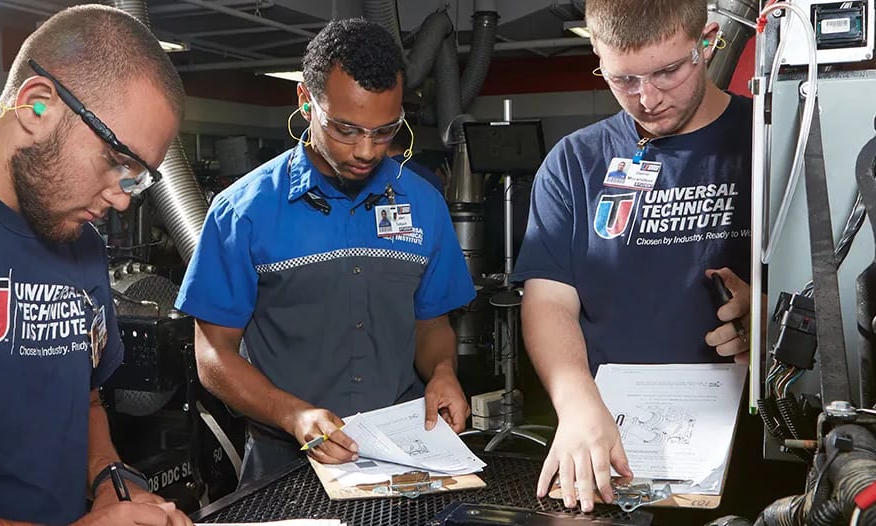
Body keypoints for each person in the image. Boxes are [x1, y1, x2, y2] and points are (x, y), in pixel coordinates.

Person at [0, 5, 192, 525]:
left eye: (138, 179)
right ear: (37, 106)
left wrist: (109, 479)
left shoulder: (81, 242)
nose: (122, 199)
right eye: (118, 161)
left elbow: (85, 403)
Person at [175, 18, 475, 485]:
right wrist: (292, 414)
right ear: (305, 101)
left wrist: (442, 371)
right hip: (284, 461)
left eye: (385, 131)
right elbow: (213, 356)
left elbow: (431, 324)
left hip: (403, 451)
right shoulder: (243, 212)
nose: (367, 151)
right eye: (346, 129)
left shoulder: (424, 203)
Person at [513, 0, 766, 517]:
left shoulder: (768, 140)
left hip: (753, 449)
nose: (647, 99)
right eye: (623, 79)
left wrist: (770, 316)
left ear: (707, 42)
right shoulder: (574, 162)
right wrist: (576, 401)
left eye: (667, 72)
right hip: (611, 448)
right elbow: (549, 301)